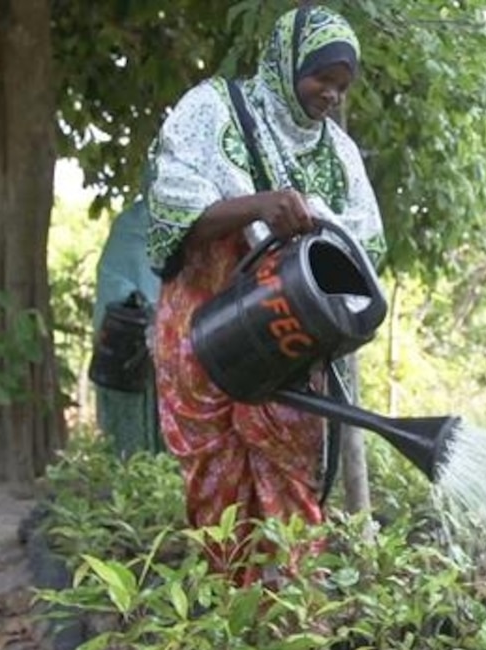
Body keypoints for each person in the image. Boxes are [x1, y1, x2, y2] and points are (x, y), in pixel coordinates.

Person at [145, 6, 385, 585]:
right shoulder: (214, 110)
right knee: (215, 481)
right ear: (285, 64)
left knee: (290, 479)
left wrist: (321, 231)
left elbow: (368, 247)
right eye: (320, 78)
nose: (329, 95)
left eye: (341, 86)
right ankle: (233, 617)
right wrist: (259, 206)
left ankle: (291, 627)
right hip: (203, 336)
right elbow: (171, 207)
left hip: (285, 339)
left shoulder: (337, 155)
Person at [91, 197, 165, 458]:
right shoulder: (129, 227)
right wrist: (140, 308)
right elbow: (111, 286)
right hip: (129, 351)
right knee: (131, 449)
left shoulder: (204, 224)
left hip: (182, 353)